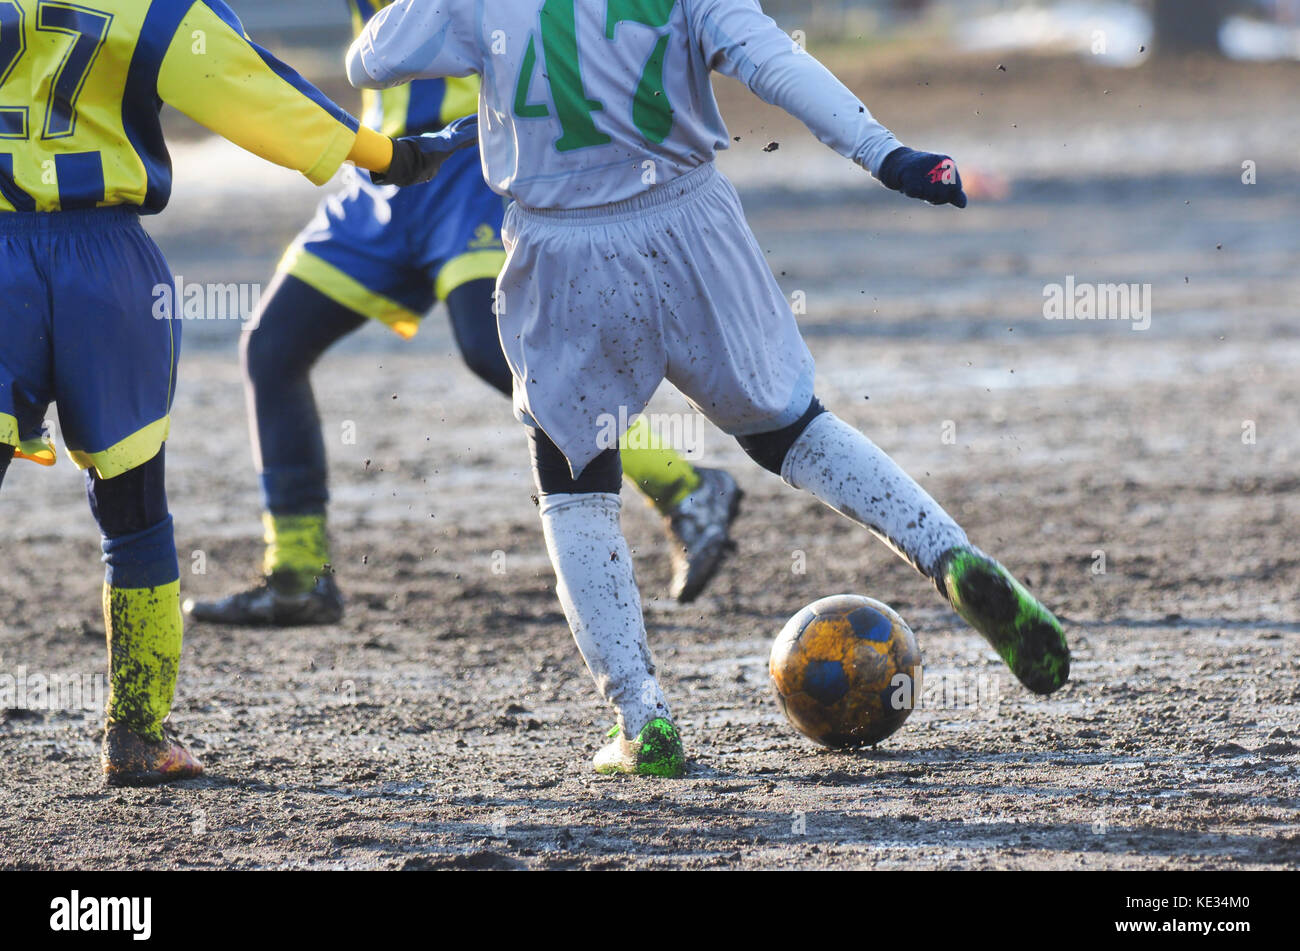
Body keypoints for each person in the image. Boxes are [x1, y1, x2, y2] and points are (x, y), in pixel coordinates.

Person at [347, 0, 1071, 777]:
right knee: (792, 428)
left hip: (565, 248)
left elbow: (369, 61)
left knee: (574, 478)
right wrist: (887, 154)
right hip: (694, 223)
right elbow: (777, 66)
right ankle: (950, 559)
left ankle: (643, 719)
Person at [0, 0, 458, 786]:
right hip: (108, 270)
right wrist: (384, 154)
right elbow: (245, 85)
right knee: (133, 503)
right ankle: (138, 736)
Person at [181, 0, 743, 627]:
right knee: (272, 348)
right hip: (382, 173)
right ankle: (298, 576)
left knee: (493, 348)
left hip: (465, 161)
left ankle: (684, 488)